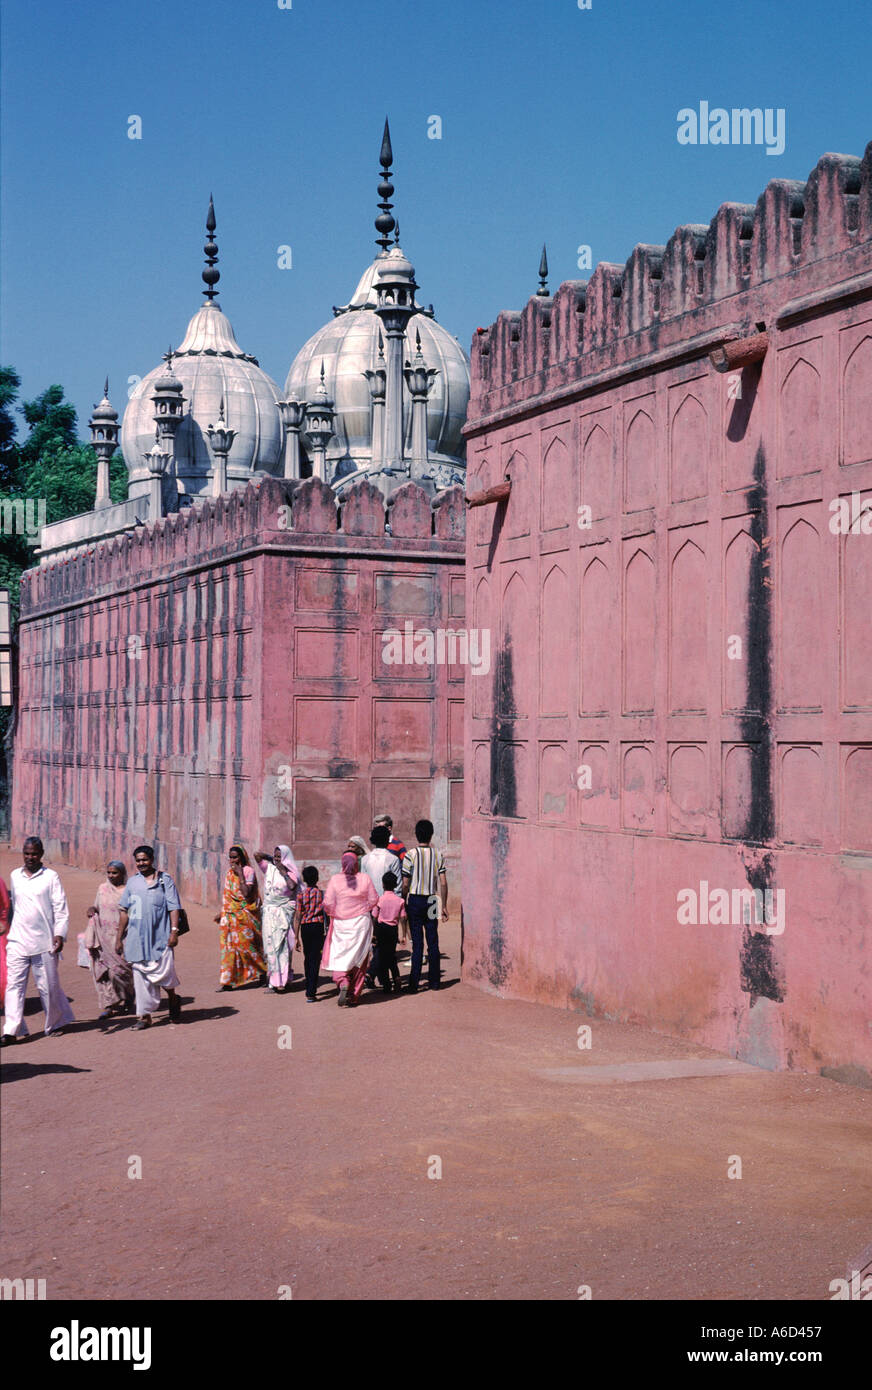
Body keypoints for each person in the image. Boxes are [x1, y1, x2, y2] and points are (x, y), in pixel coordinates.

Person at [0, 837, 75, 1044]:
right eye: (27, 853)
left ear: (41, 854)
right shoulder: (15, 875)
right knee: (14, 986)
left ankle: (55, 1023)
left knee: (48, 987)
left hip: (44, 942)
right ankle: (11, 1031)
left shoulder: (51, 877)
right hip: (17, 940)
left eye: (34, 853)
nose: (30, 857)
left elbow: (60, 908)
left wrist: (59, 934)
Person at [117, 845, 183, 1030]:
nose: (141, 863)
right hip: (137, 938)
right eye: (138, 860)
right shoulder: (132, 883)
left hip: (160, 937)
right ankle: (144, 1016)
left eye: (144, 860)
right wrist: (119, 938)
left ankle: (173, 998)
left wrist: (174, 932)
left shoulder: (164, 880)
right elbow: (124, 911)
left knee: (165, 975)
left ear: (152, 859)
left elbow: (173, 907)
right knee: (140, 977)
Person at [322, 851, 378, 1008]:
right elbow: (374, 899)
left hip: (341, 925)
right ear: (356, 864)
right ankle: (354, 996)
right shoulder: (365, 878)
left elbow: (328, 903)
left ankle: (343, 981)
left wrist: (337, 912)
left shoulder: (335, 880)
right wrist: (362, 909)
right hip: (361, 924)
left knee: (340, 956)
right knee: (359, 960)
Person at [401, 819, 449, 993]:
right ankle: (435, 982)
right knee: (433, 941)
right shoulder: (438, 855)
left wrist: (403, 900)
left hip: (415, 900)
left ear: (416, 834)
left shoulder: (410, 855)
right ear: (431, 835)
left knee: (418, 943)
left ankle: (414, 984)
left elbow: (405, 883)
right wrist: (444, 905)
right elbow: (443, 882)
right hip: (432, 900)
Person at [85, 860, 135, 1018]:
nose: (111, 876)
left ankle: (128, 997)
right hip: (103, 937)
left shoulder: (128, 891)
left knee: (121, 971)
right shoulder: (102, 888)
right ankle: (109, 1005)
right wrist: (91, 909)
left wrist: (122, 936)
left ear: (122, 874)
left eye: (115, 873)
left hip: (122, 936)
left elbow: (132, 914)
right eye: (109, 872)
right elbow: (96, 906)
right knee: (104, 972)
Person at [215, 844, 266, 991]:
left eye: (235, 857)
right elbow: (228, 896)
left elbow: (247, 893)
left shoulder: (248, 871)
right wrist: (223, 912)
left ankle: (263, 972)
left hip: (245, 916)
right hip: (229, 916)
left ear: (242, 857)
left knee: (248, 948)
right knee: (228, 949)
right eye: (230, 858)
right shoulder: (229, 873)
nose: (232, 861)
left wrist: (241, 874)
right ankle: (227, 981)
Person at [254, 844, 299, 993]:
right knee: (271, 948)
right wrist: (271, 859)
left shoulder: (291, 872)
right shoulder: (269, 868)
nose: (277, 859)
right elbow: (257, 855)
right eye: (276, 856)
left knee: (283, 948)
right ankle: (275, 981)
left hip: (283, 914)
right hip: (270, 913)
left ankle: (282, 981)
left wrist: (283, 871)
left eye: (280, 856)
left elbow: (292, 886)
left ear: (286, 858)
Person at [361, 826, 402, 987]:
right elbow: (398, 887)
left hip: (371, 907)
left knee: (375, 943)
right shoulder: (393, 859)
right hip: (389, 909)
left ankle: (374, 975)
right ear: (387, 840)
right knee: (387, 946)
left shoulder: (365, 860)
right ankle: (377, 976)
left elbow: (363, 885)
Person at [294, 865, 326, 1002]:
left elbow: (298, 916)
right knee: (315, 958)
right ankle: (311, 990)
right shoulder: (322, 894)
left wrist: (296, 937)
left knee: (307, 957)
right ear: (317, 878)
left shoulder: (300, 895)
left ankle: (309, 986)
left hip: (305, 927)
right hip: (318, 927)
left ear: (304, 879)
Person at [372, 870, 406, 993]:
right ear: (396, 885)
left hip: (381, 930)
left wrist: (374, 934)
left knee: (382, 958)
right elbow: (403, 918)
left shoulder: (379, 900)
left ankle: (387, 985)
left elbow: (374, 917)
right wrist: (403, 935)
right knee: (391, 956)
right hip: (393, 930)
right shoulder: (400, 901)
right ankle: (397, 978)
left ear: (383, 884)